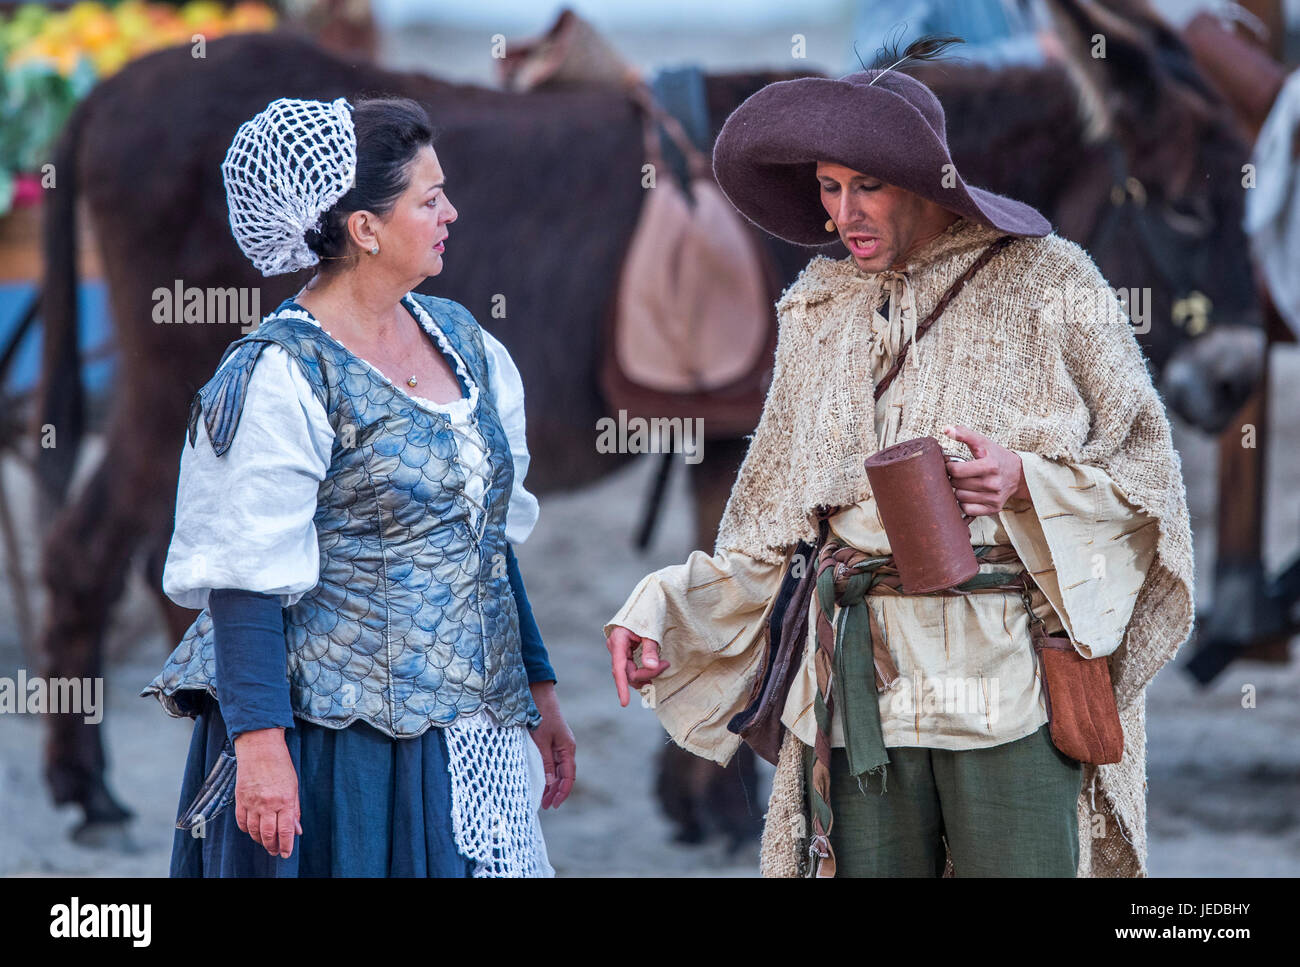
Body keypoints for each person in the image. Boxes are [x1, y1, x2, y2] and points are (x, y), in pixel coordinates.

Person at [604, 55, 1194, 877]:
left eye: (868, 185)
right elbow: (773, 535)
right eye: (828, 187)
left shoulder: (1052, 284)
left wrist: (1026, 481)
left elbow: (1148, 486)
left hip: (1006, 685)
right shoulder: (819, 307)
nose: (845, 214)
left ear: (926, 182)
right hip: (858, 694)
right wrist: (661, 609)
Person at [142, 95, 575, 877]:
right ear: (364, 228)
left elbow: (486, 544)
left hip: (474, 732)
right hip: (340, 747)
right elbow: (243, 583)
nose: (451, 211)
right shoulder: (279, 374)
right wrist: (261, 748)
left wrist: (539, 691)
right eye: (428, 196)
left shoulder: (465, 343)